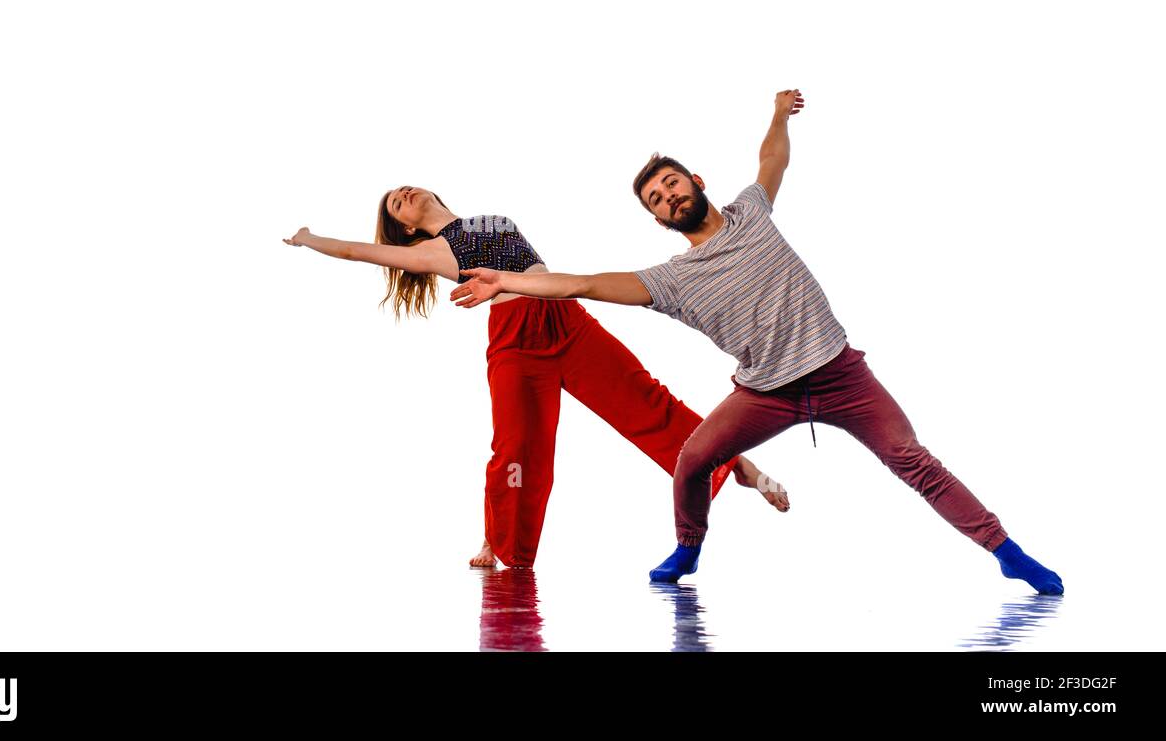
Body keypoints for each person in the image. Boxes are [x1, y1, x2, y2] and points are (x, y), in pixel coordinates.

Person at [448, 89, 1064, 595]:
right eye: (658, 201)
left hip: (840, 376)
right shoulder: (670, 280)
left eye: (672, 185)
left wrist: (775, 114)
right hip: (765, 392)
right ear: (659, 220)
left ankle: (1006, 551)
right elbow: (585, 283)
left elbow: (773, 161)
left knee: (914, 461)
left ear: (695, 180)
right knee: (692, 459)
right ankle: (687, 550)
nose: (670, 198)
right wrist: (508, 280)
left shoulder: (751, 213)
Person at [282, 185, 791, 569]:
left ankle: (735, 465)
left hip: (563, 318)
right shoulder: (430, 251)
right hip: (515, 340)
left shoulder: (485, 219)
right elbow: (357, 252)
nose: (404, 195)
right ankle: (501, 541)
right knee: (518, 446)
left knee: (645, 399)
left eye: (403, 189)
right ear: (407, 229)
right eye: (395, 205)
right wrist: (310, 239)